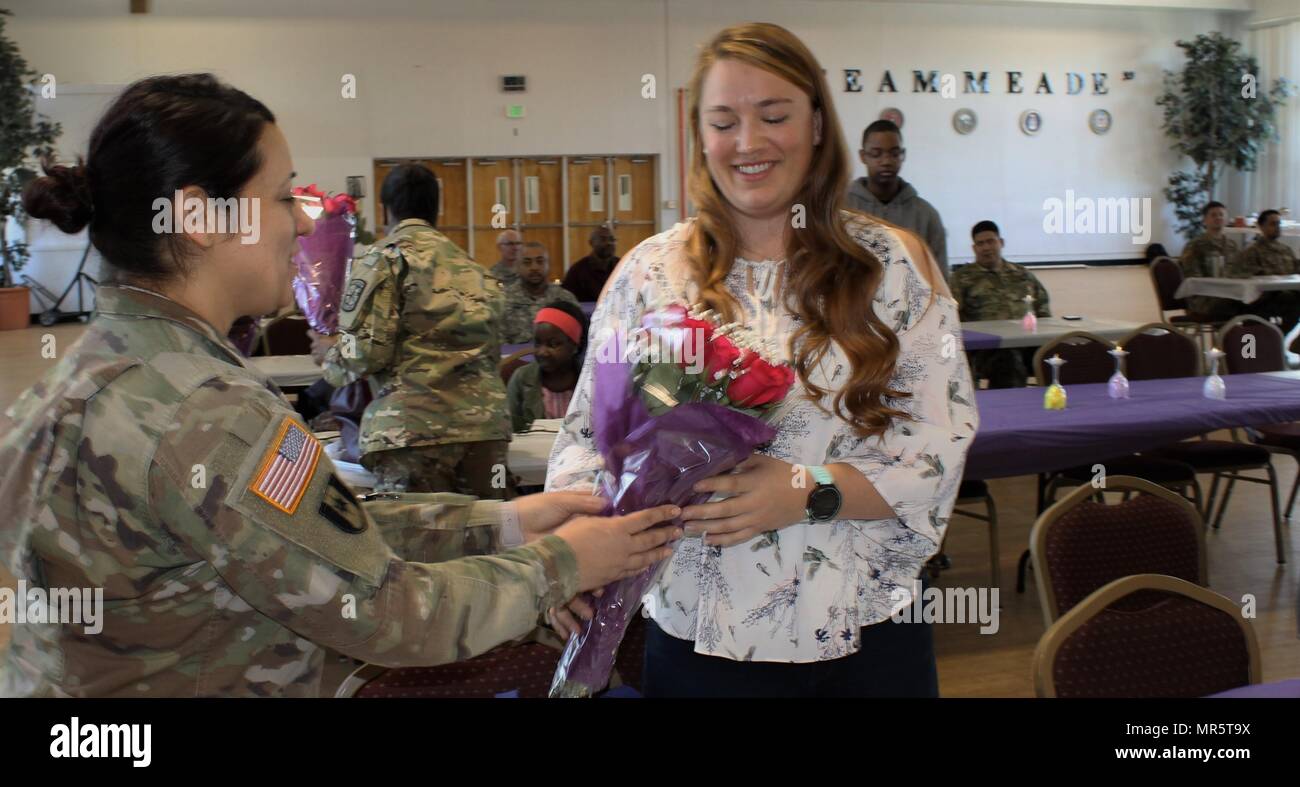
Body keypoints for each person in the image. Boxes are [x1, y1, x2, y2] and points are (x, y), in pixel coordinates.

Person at [3, 73, 680, 698]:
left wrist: (504, 521)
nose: (303, 220)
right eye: (280, 195)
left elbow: (310, 530)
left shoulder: (88, 375)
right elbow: (388, 612)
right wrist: (563, 564)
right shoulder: (207, 413)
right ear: (200, 217)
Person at [545, 23, 976, 698]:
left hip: (865, 635)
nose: (748, 142)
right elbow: (585, 442)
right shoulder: (648, 274)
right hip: (695, 637)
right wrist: (569, 552)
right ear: (701, 136)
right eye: (724, 122)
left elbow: (935, 450)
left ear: (816, 127)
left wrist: (806, 490)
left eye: (773, 115)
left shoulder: (893, 267)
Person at [318, 165, 512, 498]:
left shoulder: (385, 259)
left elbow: (365, 352)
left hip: (412, 432)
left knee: (421, 542)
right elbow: (493, 354)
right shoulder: (475, 268)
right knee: (486, 537)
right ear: (436, 209)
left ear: (385, 210)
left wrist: (330, 354)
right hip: (485, 429)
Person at [949, 220, 1051, 388]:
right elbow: (952, 317)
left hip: (1026, 344)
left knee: (1067, 354)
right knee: (1008, 361)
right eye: (980, 243)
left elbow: (1043, 311)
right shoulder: (961, 279)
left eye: (991, 241)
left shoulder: (1022, 275)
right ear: (974, 248)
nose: (986, 248)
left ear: (1001, 243)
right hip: (984, 349)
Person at [845, 119, 949, 280]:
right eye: (876, 154)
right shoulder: (841, 209)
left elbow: (940, 280)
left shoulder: (926, 216)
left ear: (903, 155)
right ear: (863, 156)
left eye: (894, 153)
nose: (886, 161)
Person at [507, 300, 588, 432]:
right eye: (538, 343)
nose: (542, 352)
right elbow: (509, 429)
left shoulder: (590, 381)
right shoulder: (521, 379)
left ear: (575, 345)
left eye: (553, 344)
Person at [1227, 209, 1299, 333]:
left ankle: (1281, 341)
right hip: (1262, 299)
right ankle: (1273, 340)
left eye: (1278, 224)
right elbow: (1243, 276)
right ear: (1261, 227)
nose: (1277, 227)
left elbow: (1296, 271)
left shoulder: (1286, 250)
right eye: (1272, 224)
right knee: (1292, 302)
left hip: (1287, 295)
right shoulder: (1252, 252)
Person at [500, 241, 579, 343]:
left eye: (540, 261)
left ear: (548, 265)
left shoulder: (565, 299)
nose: (534, 267)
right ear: (517, 267)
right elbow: (498, 344)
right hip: (515, 357)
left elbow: (579, 339)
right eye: (527, 262)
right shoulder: (503, 300)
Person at [1178, 201, 1240, 322]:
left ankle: (1246, 338)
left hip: (1230, 294)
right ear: (1204, 220)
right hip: (1204, 299)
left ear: (1226, 219)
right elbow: (1193, 279)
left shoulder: (1232, 246)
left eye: (1221, 214)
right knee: (1241, 306)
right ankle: (1231, 337)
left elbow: (1239, 272)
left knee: (1258, 303)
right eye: (1213, 215)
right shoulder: (1195, 246)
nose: (1218, 218)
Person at [561, 224, 620, 302]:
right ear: (591, 243)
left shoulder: (623, 266)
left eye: (612, 239)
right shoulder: (577, 271)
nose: (609, 243)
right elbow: (566, 300)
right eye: (603, 239)